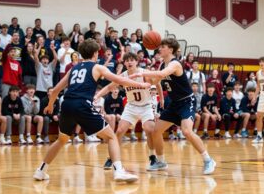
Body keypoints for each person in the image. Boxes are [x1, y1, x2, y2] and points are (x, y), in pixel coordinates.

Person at [33, 39, 150, 182]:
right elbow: (120, 81)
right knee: (111, 137)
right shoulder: (97, 67)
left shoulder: (74, 68)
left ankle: (40, 171)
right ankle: (119, 171)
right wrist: (142, 84)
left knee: (61, 139)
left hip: (67, 105)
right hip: (82, 105)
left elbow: (56, 90)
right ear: (96, 53)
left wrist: (50, 105)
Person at [129, 38, 216, 174]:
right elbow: (156, 80)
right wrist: (144, 84)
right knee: (156, 131)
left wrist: (142, 72)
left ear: (170, 49)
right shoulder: (162, 65)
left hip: (187, 102)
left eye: (163, 46)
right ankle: (161, 161)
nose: (160, 48)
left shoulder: (175, 64)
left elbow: (162, 74)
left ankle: (208, 160)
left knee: (187, 131)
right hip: (174, 103)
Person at [95, 52, 164, 170]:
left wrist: (161, 98)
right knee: (119, 131)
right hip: (131, 106)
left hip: (146, 106)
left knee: (149, 129)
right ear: (124, 63)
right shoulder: (123, 75)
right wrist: (97, 96)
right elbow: (109, 87)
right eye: (127, 60)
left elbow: (157, 84)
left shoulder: (144, 73)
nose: (129, 62)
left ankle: (152, 157)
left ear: (137, 61)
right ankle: (111, 158)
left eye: (132, 60)